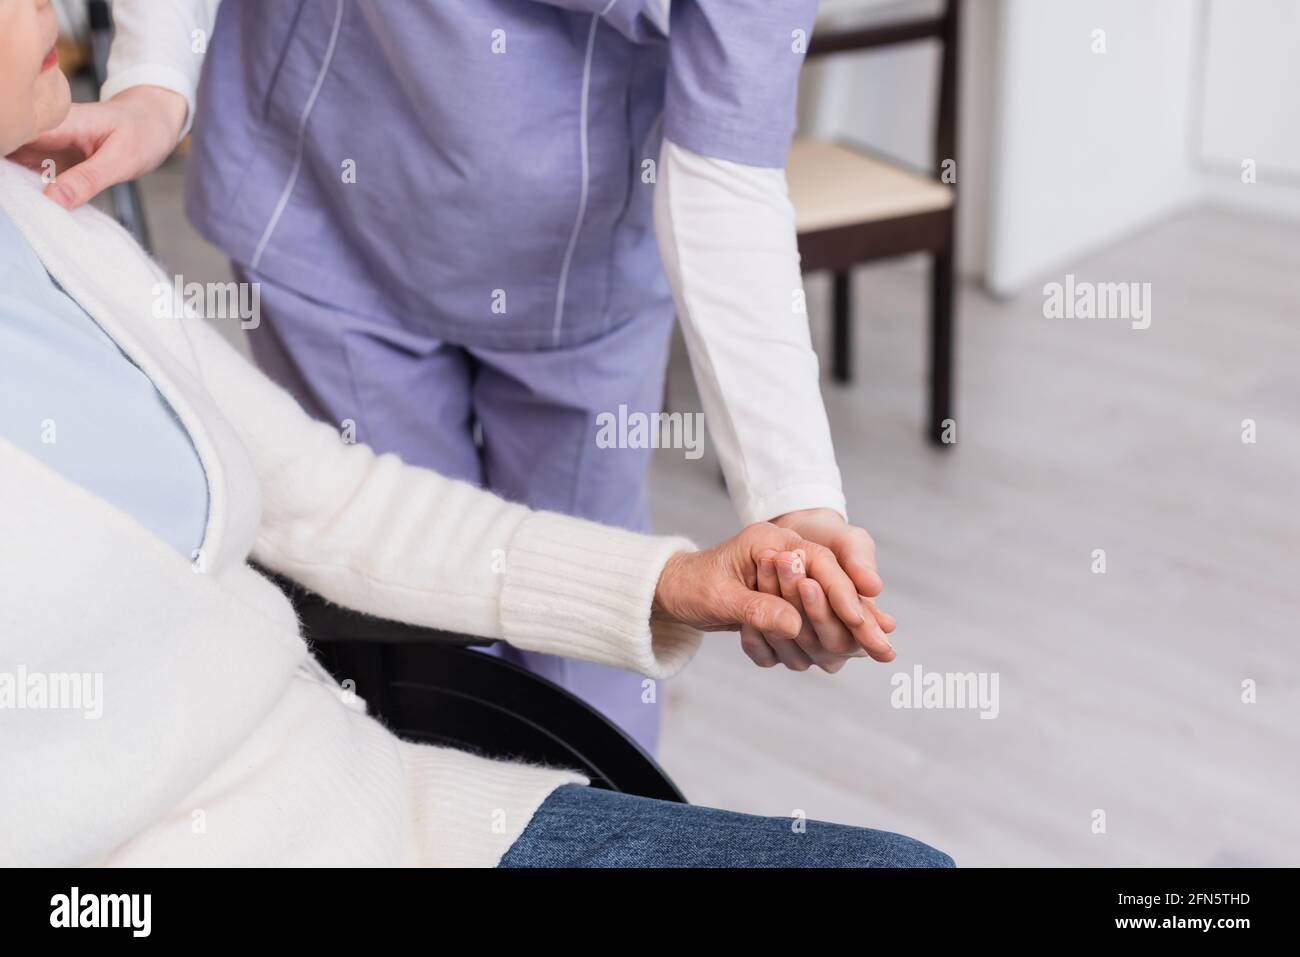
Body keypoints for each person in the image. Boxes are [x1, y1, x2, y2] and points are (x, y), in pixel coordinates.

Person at [0, 0, 951, 868]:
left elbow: (725, 171)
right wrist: (156, 77)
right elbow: (335, 517)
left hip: (577, 250)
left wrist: (787, 504)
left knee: (587, 659)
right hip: (328, 194)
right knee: (409, 637)